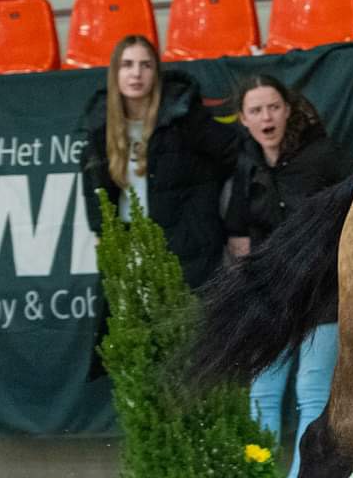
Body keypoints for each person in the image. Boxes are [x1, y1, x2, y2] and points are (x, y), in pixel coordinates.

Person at [225, 75, 353, 478]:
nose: (266, 117)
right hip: (270, 299)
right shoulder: (246, 165)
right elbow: (240, 238)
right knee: (262, 393)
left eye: (273, 108)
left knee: (312, 393)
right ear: (244, 119)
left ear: (287, 109)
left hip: (323, 296)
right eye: (256, 111)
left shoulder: (324, 155)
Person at [80, 36, 238, 289]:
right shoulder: (99, 129)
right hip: (131, 252)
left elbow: (235, 154)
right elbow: (95, 195)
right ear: (114, 73)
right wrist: (105, 243)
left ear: (156, 72)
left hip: (188, 251)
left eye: (146, 65)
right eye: (127, 65)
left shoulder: (183, 115)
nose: (136, 74)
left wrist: (204, 216)